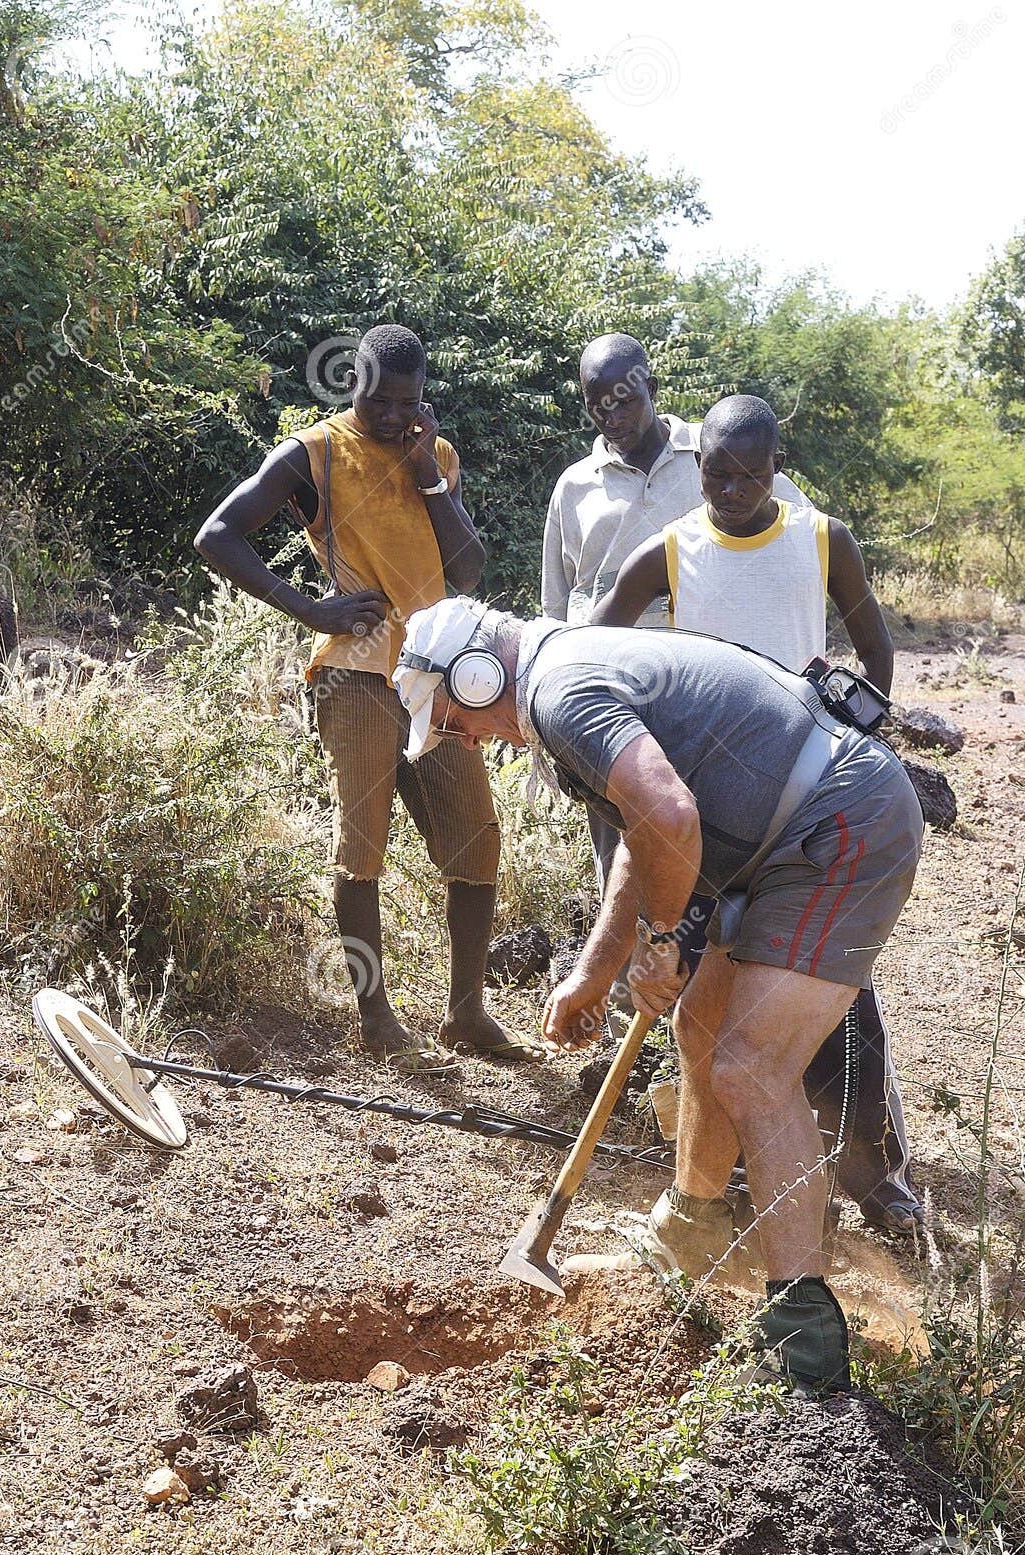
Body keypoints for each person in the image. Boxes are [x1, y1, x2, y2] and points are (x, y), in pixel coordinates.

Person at [390, 595, 925, 1393]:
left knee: (751, 1068)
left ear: (472, 676)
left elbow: (671, 815)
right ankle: (693, 1234)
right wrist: (597, 971)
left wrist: (668, 940)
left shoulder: (559, 692)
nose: (462, 738)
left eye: (452, 720)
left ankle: (805, 1344)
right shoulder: (559, 678)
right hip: (783, 837)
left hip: (841, 826)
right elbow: (649, 829)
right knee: (700, 1029)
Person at [543, 336, 921, 1235]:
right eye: (715, 475)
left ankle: (878, 1176)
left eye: (749, 477)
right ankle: (719, 1186)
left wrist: (862, 711)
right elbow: (597, 640)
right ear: (697, 466)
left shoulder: (821, 538)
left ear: (776, 470)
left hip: (808, 799)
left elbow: (877, 643)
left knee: (838, 1004)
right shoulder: (669, 550)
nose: (731, 491)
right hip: (710, 815)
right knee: (702, 1007)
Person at [195, 323, 531, 1068]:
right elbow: (217, 535)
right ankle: (375, 1018)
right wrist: (311, 609)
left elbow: (467, 571)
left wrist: (427, 472)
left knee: (476, 838)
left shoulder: (433, 456)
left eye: (407, 403)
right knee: (364, 847)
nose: (391, 416)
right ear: (353, 383)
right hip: (356, 674)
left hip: (440, 682)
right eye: (379, 401)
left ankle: (467, 1013)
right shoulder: (311, 452)